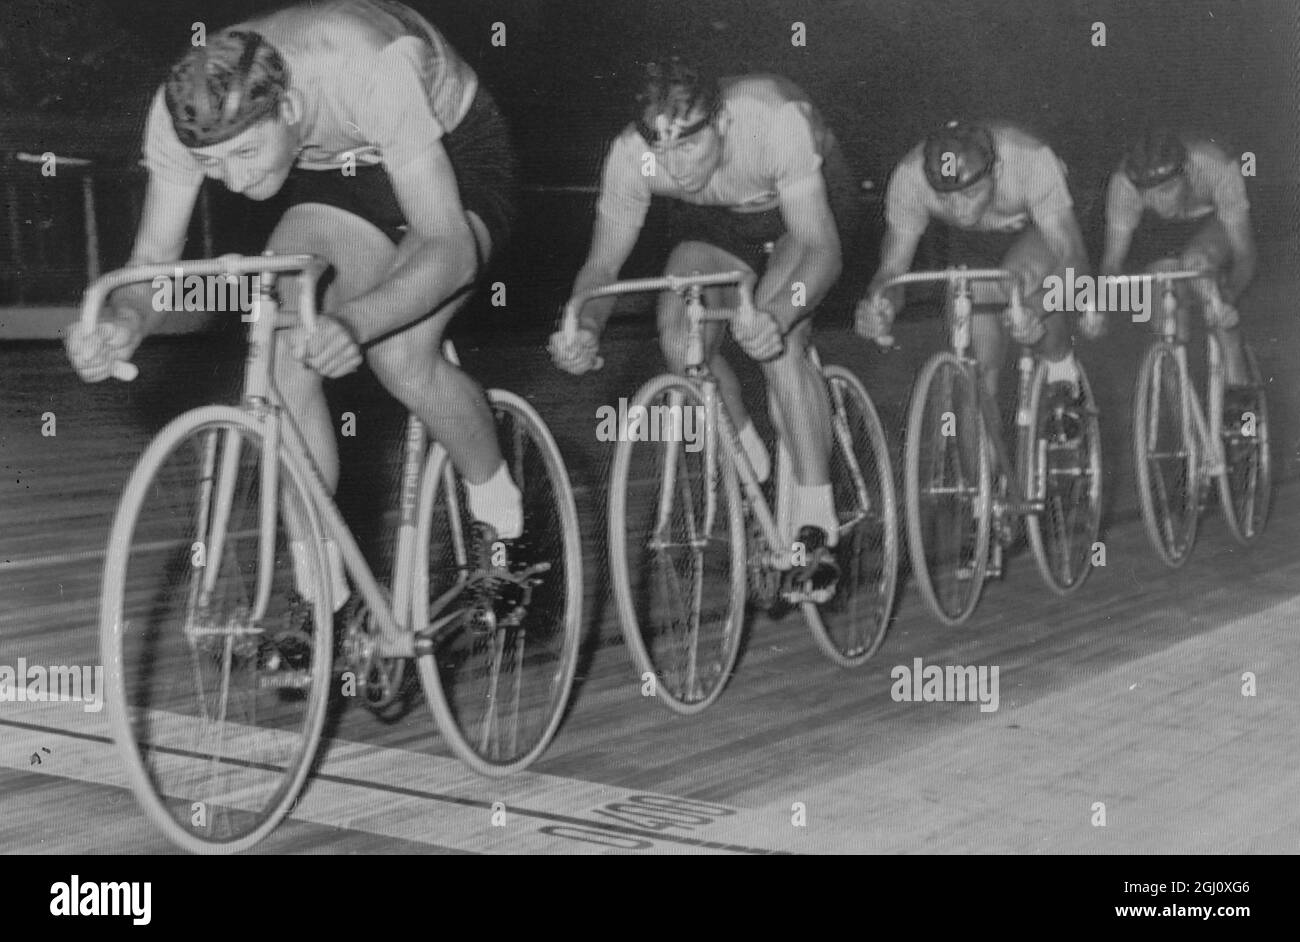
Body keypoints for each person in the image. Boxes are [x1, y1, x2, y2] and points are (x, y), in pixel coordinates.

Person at [64, 0, 521, 609]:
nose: (229, 182)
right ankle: (321, 597)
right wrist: (122, 322)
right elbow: (153, 264)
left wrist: (354, 322)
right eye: (210, 164)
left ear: (291, 106)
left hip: (450, 152)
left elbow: (449, 250)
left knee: (401, 354)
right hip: (332, 165)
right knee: (280, 350)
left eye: (245, 155)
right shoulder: (181, 113)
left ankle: (502, 520)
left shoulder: (368, 67)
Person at [550, 59, 864, 602]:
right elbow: (602, 269)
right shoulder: (632, 154)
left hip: (804, 215)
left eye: (688, 146)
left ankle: (816, 524)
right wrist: (584, 325)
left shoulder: (772, 118)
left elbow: (822, 250)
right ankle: (750, 461)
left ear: (720, 123)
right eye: (661, 151)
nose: (675, 167)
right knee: (680, 337)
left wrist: (782, 316)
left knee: (777, 337)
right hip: (719, 222)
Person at [857, 120, 1092, 419]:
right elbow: (892, 271)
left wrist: (1037, 308)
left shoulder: (1029, 158)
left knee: (1020, 285)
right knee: (979, 371)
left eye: (969, 194)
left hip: (1037, 230)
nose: (958, 209)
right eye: (944, 198)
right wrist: (881, 305)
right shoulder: (909, 177)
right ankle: (981, 462)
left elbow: (1075, 260)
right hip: (972, 245)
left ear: (997, 171)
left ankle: (1061, 364)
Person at [1097, 128, 1257, 402]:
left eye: (1167, 189)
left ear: (1187, 172)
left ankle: (1240, 403)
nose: (1159, 201)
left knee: (1204, 273)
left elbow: (1245, 254)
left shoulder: (1216, 165)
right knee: (1166, 318)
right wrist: (1097, 307)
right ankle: (1187, 424)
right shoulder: (1124, 184)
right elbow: (1111, 263)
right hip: (1161, 236)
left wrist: (1228, 299)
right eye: (1149, 194)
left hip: (1211, 222)